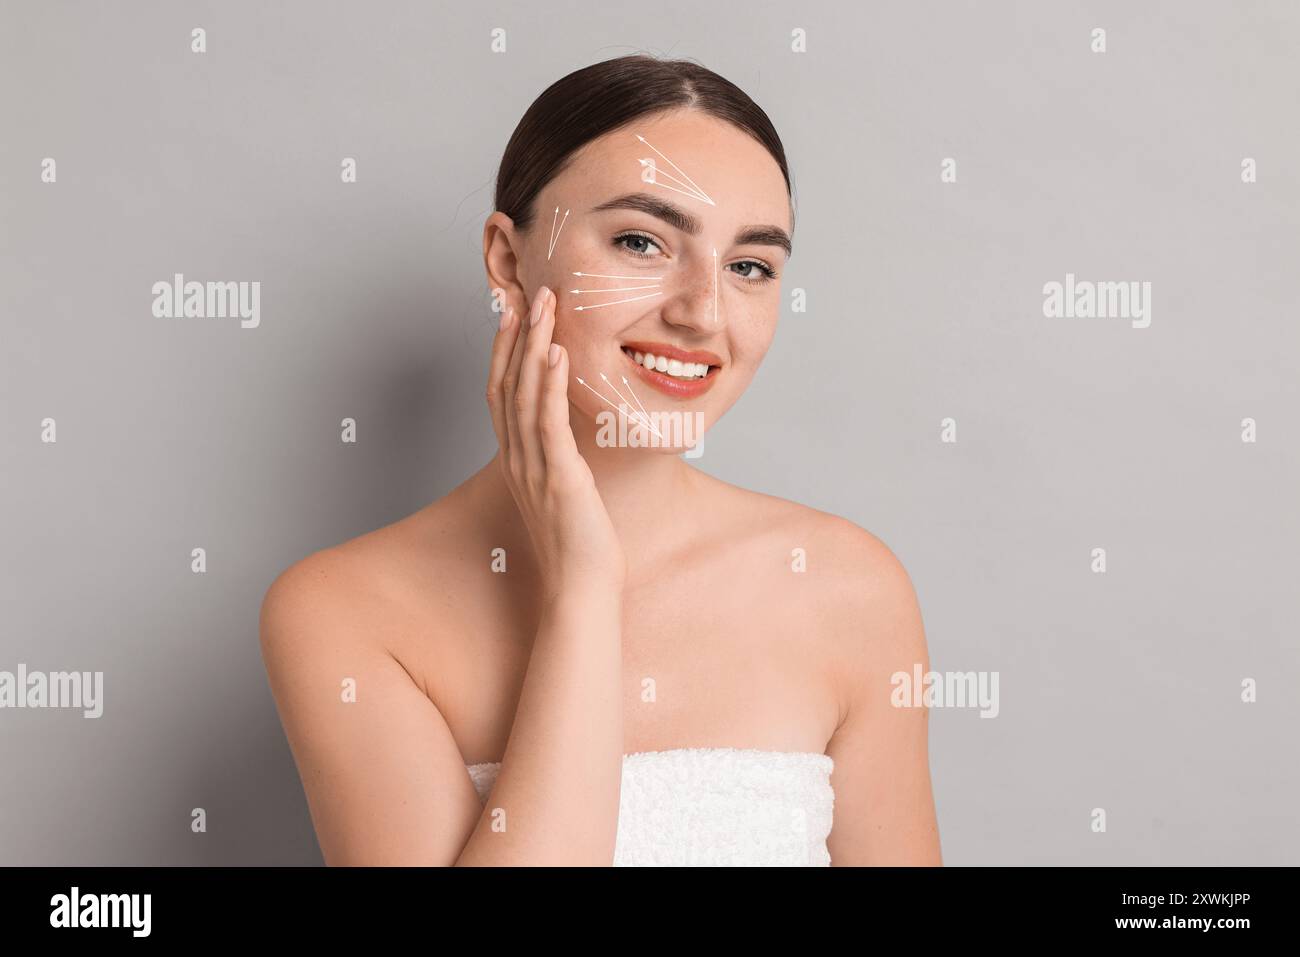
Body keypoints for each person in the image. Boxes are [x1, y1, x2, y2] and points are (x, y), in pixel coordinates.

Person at [260, 54, 941, 866]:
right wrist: (584, 589)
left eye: (749, 265)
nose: (703, 312)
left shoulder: (848, 587)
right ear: (508, 261)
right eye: (641, 241)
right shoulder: (343, 612)